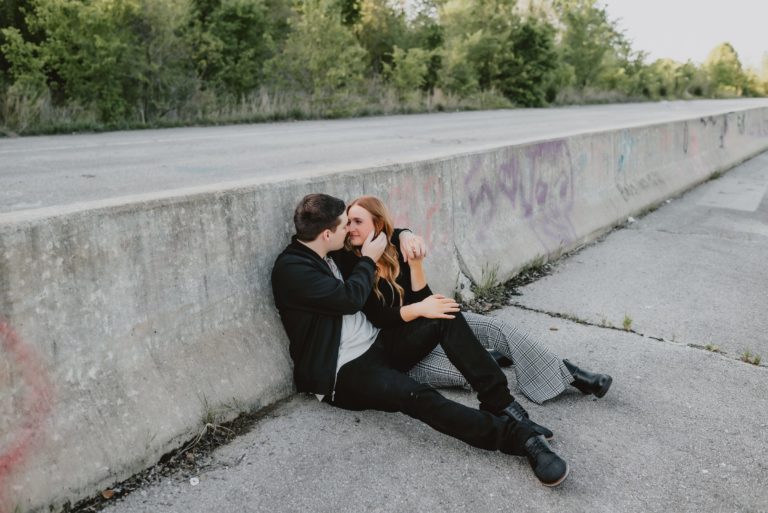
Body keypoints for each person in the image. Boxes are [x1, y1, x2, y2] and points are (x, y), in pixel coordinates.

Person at [272, 193, 569, 487]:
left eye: (351, 224)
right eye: (343, 226)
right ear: (326, 234)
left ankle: (499, 402)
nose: (348, 230)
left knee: (443, 313)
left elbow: (382, 229)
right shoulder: (292, 269)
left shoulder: (329, 250)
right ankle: (521, 440)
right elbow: (349, 299)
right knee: (418, 396)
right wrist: (369, 262)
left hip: (380, 344)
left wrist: (405, 235)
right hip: (344, 372)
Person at [339, 195, 612, 406]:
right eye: (348, 222)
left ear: (378, 223)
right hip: (398, 350)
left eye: (357, 221)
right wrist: (421, 307)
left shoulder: (397, 246)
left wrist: (415, 257)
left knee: (499, 329)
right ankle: (494, 357)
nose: (350, 228)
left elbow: (422, 294)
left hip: (424, 324)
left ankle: (571, 374)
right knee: (466, 373)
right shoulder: (351, 262)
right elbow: (379, 317)